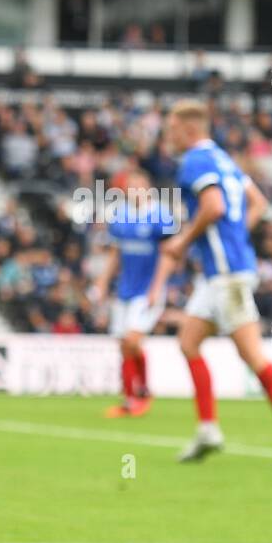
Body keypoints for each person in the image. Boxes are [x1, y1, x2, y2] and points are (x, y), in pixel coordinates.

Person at [148, 100, 272, 466]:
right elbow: (257, 202)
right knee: (189, 341)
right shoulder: (224, 159)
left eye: (172, 130)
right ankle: (208, 428)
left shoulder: (195, 160)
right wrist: (235, 238)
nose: (168, 137)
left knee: (251, 353)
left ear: (189, 130)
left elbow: (214, 207)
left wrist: (182, 241)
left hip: (226, 274)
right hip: (221, 273)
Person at [92, 170, 174, 417]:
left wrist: (157, 287)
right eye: (131, 187)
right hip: (125, 290)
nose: (135, 191)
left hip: (147, 290)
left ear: (148, 188)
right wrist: (103, 282)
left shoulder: (161, 215)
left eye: (140, 186)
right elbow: (116, 253)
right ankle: (131, 398)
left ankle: (141, 394)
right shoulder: (121, 216)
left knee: (132, 340)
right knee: (123, 345)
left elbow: (169, 254)